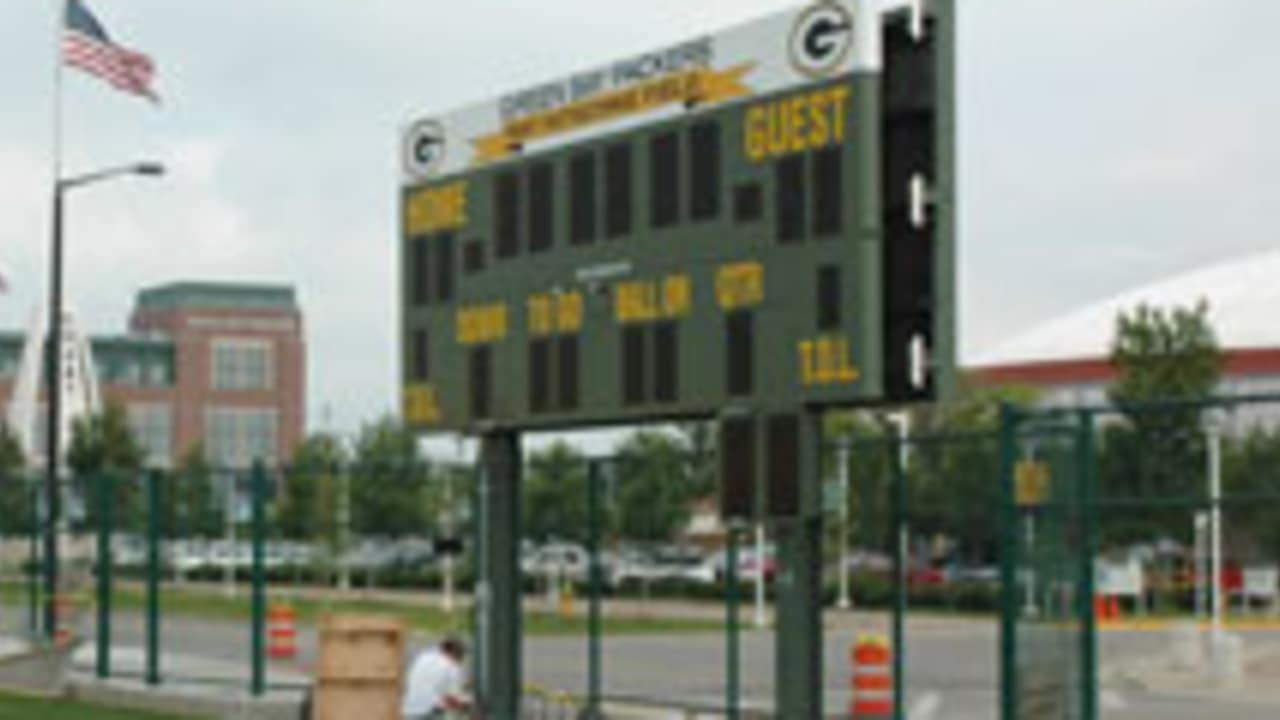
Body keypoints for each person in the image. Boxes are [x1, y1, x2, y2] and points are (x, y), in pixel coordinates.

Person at [402, 635, 471, 720]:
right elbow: (453, 699)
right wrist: (469, 704)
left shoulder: (424, 657)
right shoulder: (451, 666)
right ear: (456, 652)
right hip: (427, 713)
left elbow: (430, 684)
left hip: (408, 711)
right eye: (461, 654)